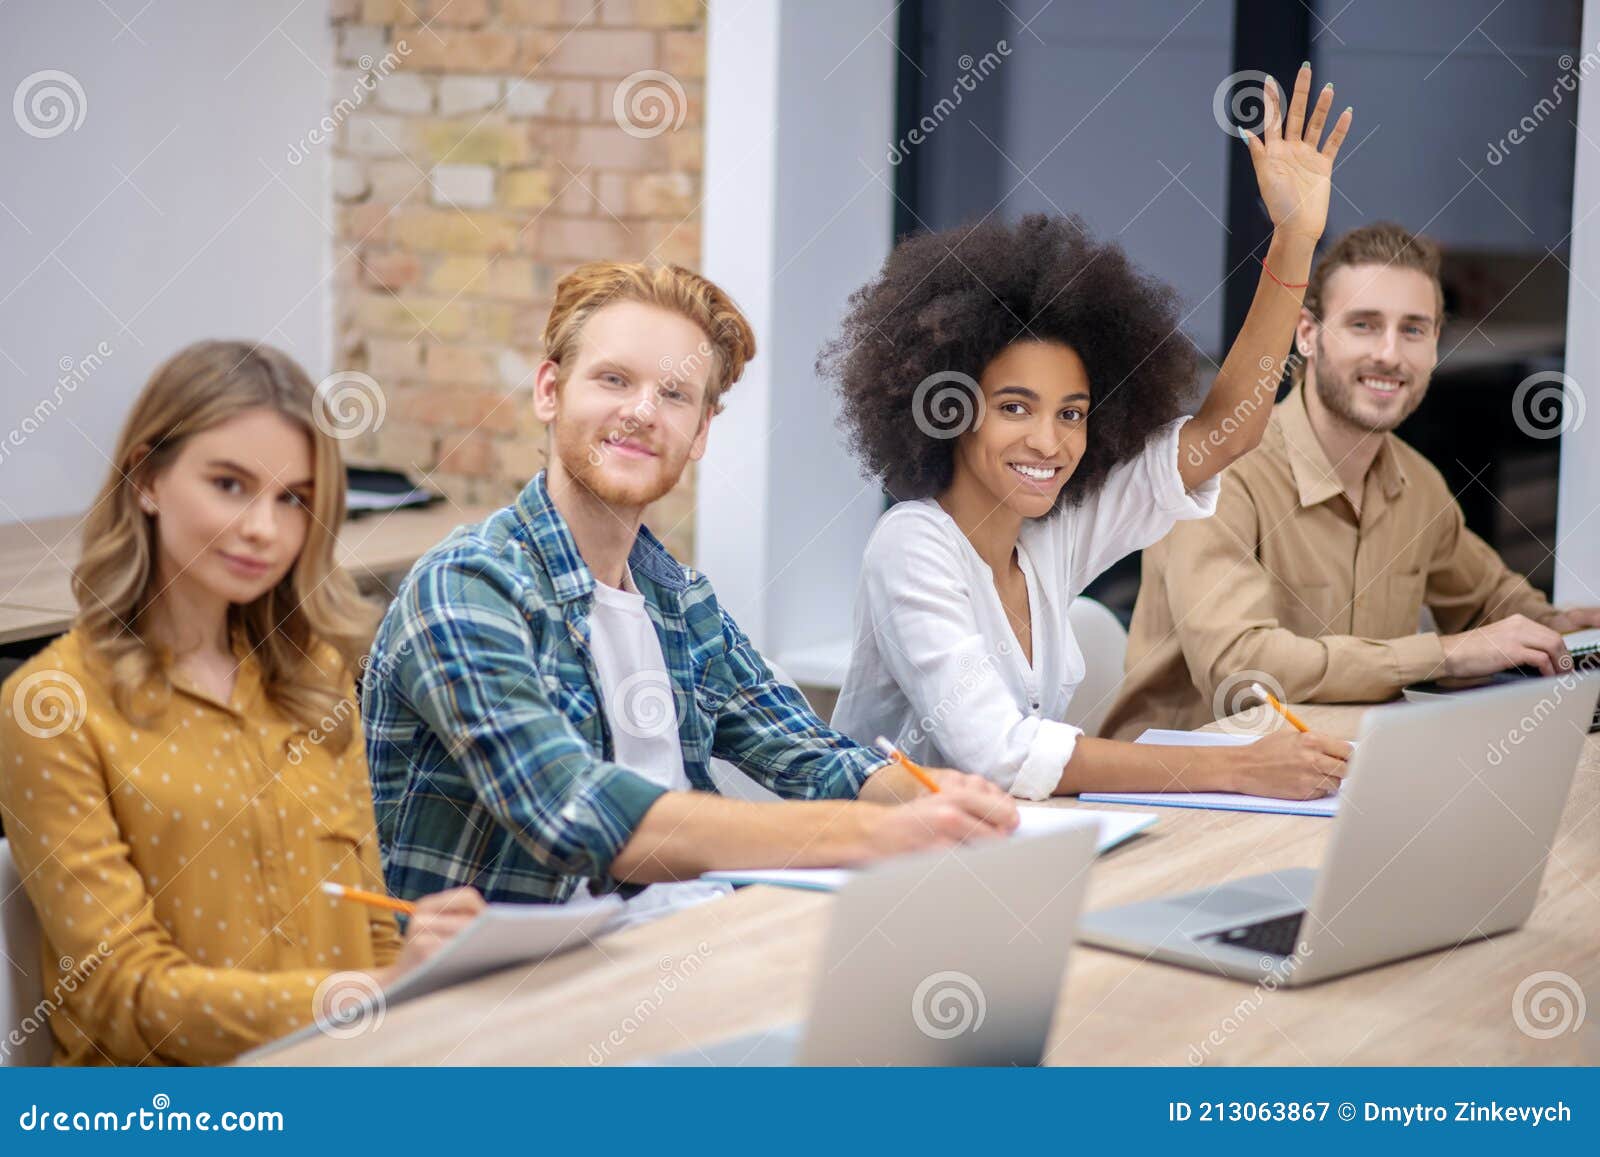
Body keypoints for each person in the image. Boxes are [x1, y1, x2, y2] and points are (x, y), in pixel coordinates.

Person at [362, 262, 1018, 922]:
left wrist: (943, 799)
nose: (643, 411)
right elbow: (573, 810)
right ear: (550, 391)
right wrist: (870, 835)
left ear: (701, 430)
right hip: (525, 994)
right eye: (614, 378)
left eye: (675, 395)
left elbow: (813, 757)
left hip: (690, 940)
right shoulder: (466, 587)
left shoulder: (676, 598)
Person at [828, 64, 1352, 801]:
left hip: (999, 856)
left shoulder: (1049, 531)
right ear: (948, 407)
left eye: (1071, 413)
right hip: (880, 877)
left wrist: (1294, 240)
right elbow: (1003, 756)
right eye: (1015, 407)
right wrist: (1240, 768)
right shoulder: (911, 548)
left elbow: (1225, 433)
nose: (1049, 441)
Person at [0, 341, 483, 1065]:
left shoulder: (314, 679)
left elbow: (373, 925)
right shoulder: (52, 707)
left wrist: (418, 957)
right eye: (230, 484)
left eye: (293, 499)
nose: (265, 528)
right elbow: (122, 996)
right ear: (147, 479)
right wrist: (366, 993)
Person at [1100, 222, 1600, 739]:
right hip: (1182, 789)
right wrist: (1443, 654)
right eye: (1364, 324)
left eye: (1413, 329)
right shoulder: (1221, 474)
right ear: (1309, 334)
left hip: (1339, 778)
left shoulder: (1418, 485)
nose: (1389, 354)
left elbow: (1498, 609)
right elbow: (1241, 668)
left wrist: (1565, 632)